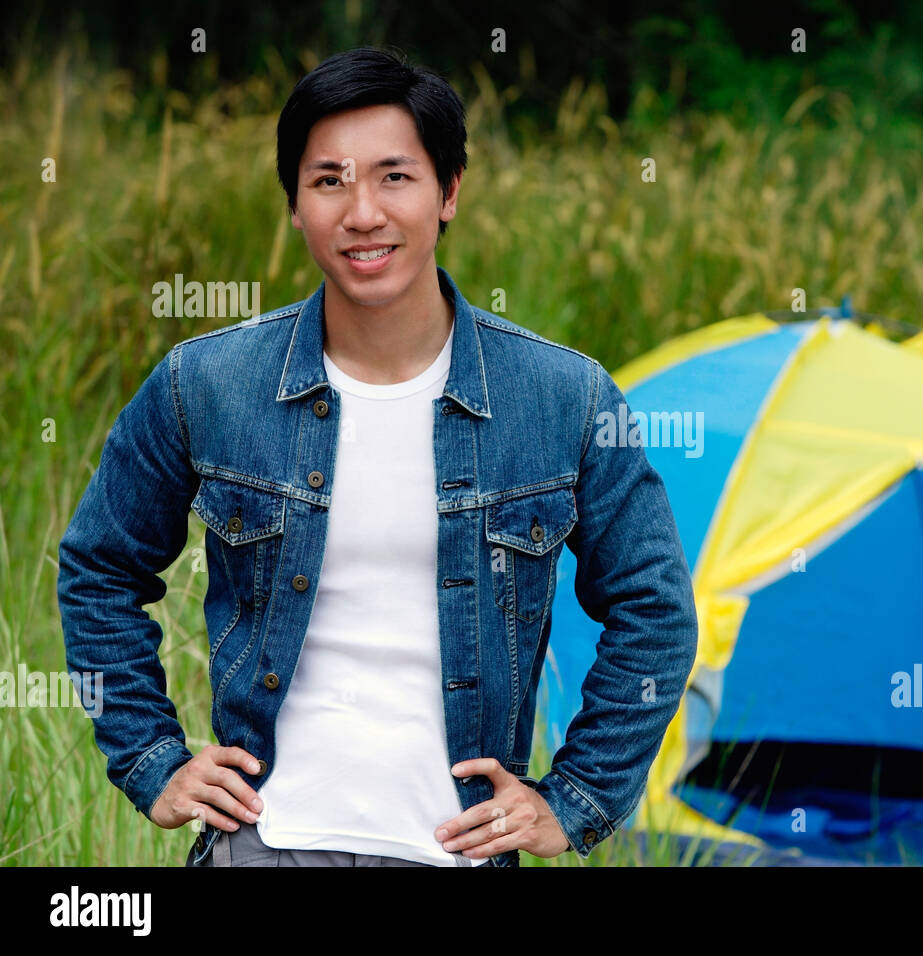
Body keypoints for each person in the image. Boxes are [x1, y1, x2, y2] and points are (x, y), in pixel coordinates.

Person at [56, 47, 699, 868]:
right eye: (329, 180)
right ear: (294, 203)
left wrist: (574, 799)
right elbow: (99, 569)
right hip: (265, 843)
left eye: (395, 177)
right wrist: (154, 763)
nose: (363, 213)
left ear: (449, 192)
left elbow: (655, 609)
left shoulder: (563, 396)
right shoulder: (206, 382)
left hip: (456, 850)